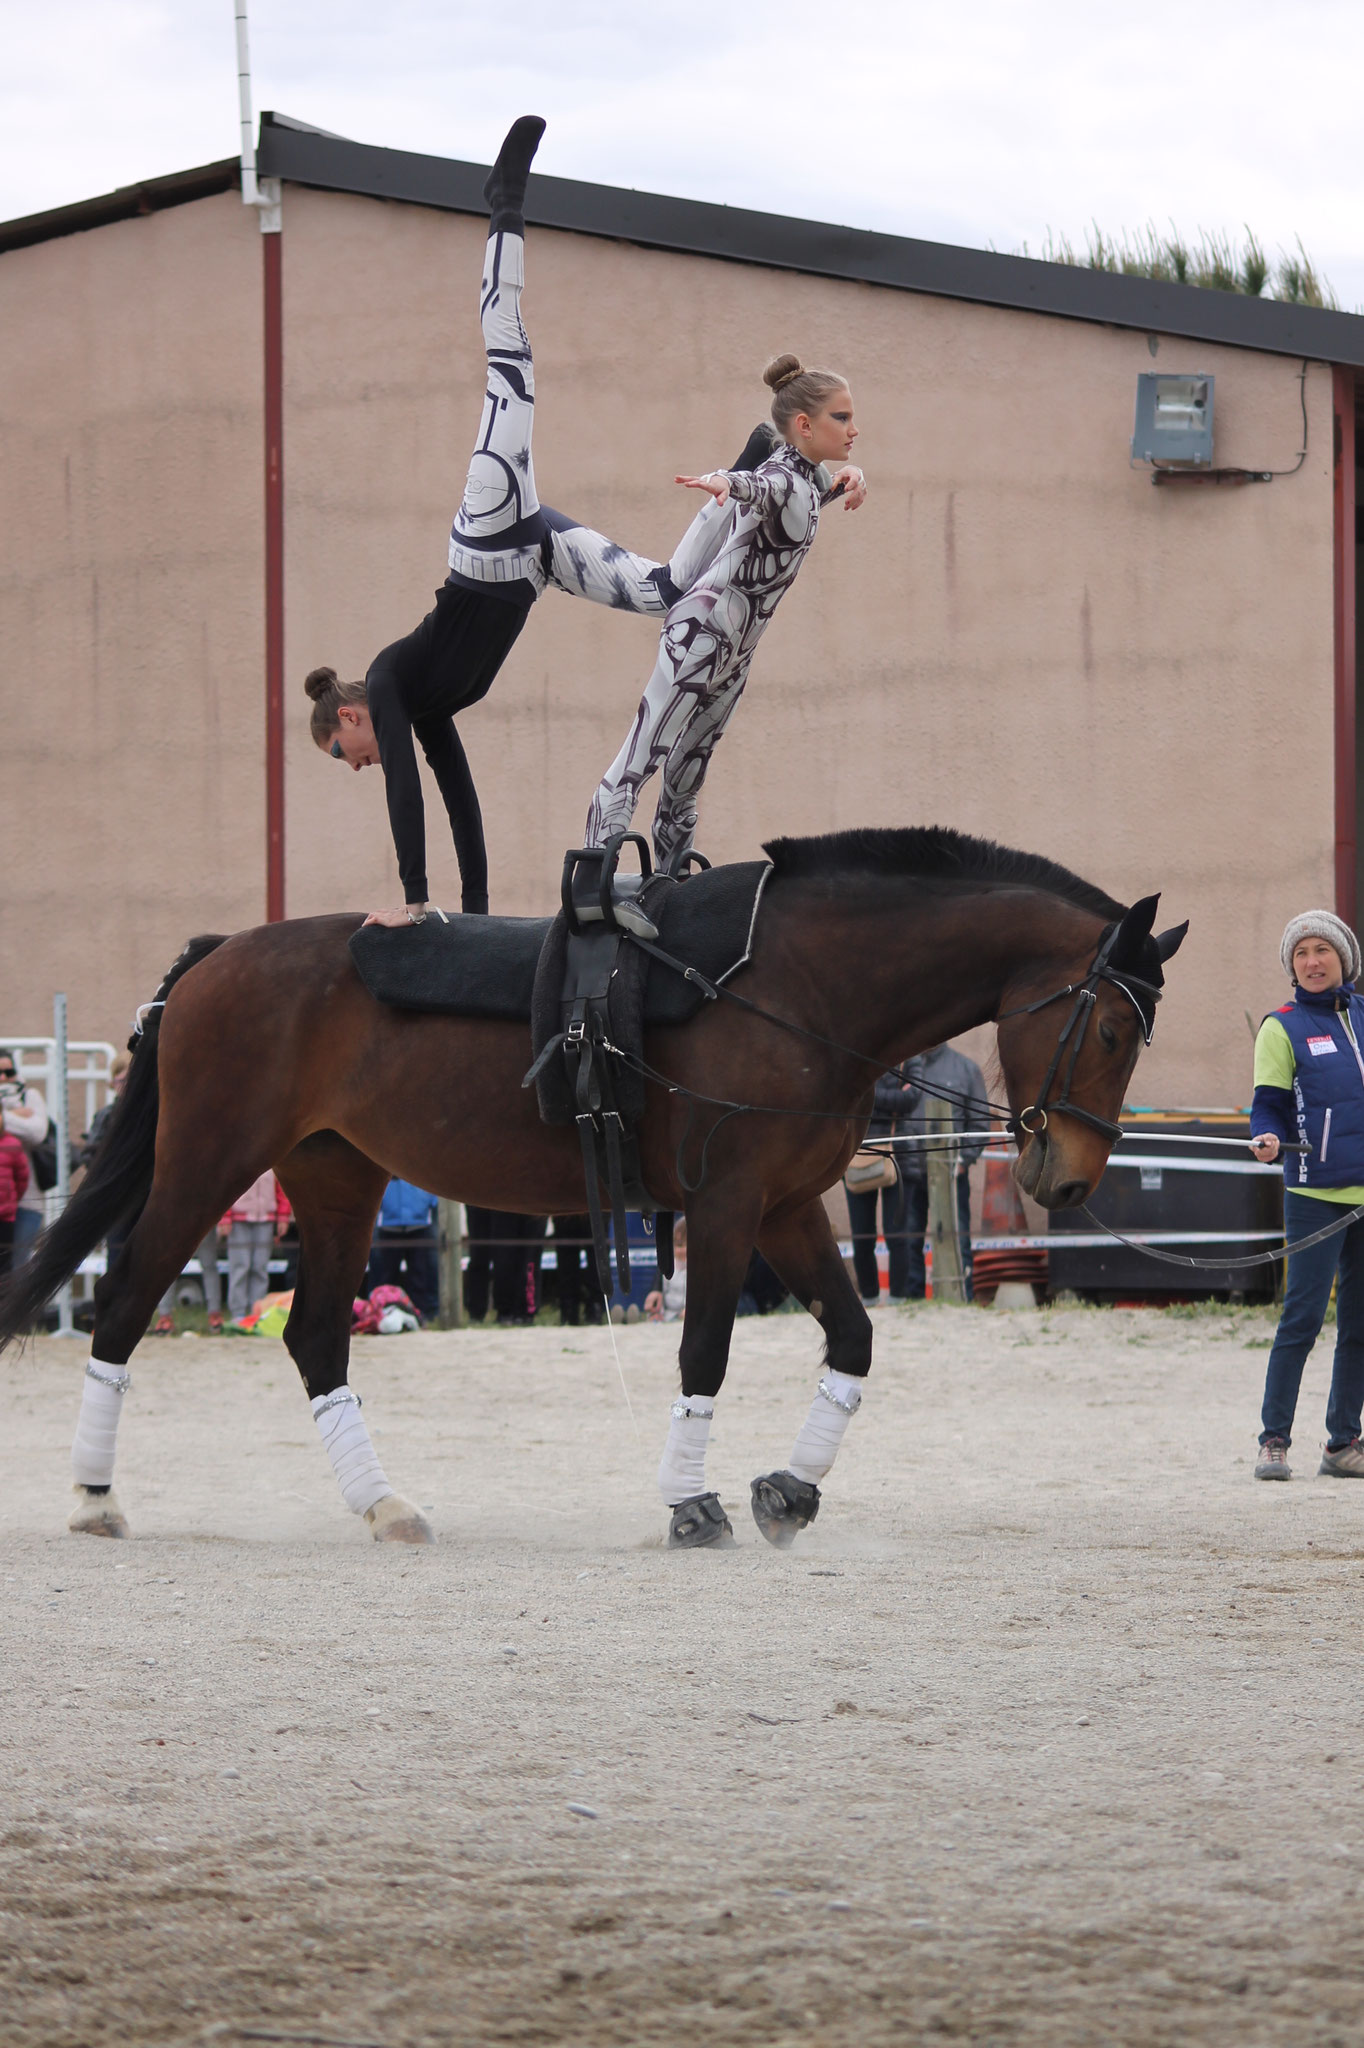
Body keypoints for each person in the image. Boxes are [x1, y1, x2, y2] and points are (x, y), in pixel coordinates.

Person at [306, 116, 777, 926]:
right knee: (670, 592)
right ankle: (747, 471)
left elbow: (403, 791)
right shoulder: (427, 707)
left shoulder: (389, 680)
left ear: (350, 717)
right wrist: (477, 917)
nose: (358, 764)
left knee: (512, 368)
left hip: (489, 535)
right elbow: (460, 799)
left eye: (343, 754)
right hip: (538, 565)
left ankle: (503, 207)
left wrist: (415, 903)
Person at [583, 354, 867, 874]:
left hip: (737, 651)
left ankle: (668, 887)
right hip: (703, 632)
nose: (854, 429)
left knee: (688, 777)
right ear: (804, 425)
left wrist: (852, 477)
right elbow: (761, 487)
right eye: (842, 418)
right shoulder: (780, 474)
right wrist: (722, 482)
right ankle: (590, 883)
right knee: (642, 757)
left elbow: (804, 504)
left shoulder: (806, 478)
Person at [1249, 910, 1364, 1480]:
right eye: (1302, 953)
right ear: (1292, 966)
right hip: (1315, 1190)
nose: (1312, 961)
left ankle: (1343, 1443)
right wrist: (1264, 1137)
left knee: (1361, 1324)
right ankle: (1274, 1440)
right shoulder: (1283, 1025)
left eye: (1322, 949)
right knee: (1302, 1318)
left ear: (1343, 958)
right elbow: (1267, 1104)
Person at [896, 1043, 992, 1300]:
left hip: (951, 1177)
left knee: (956, 1237)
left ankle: (962, 1296)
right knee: (909, 1240)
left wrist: (962, 1162)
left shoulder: (965, 1069)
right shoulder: (904, 1067)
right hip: (910, 1174)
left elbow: (981, 1124)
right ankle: (911, 1298)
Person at [847, 1068, 920, 1303]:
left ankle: (898, 1298)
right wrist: (892, 1098)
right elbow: (847, 1096)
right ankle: (868, 1298)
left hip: (900, 1159)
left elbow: (911, 1099)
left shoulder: (909, 1054)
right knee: (862, 1235)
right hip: (858, 1157)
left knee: (897, 1233)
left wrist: (869, 1095)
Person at [221, 1171, 292, 1323]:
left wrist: (283, 1216)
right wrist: (224, 1216)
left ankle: (257, 1313)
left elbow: (281, 1187)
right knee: (240, 1267)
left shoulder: (273, 1156)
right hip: (238, 1220)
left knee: (260, 1268)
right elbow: (224, 1185)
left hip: (266, 1219)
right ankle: (238, 1314)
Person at [367, 1178, 440, 1324]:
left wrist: (429, 1199)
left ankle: (423, 1315)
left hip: (420, 1223)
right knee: (385, 1278)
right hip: (387, 1225)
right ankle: (379, 1315)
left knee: (420, 1275)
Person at [0, 1050, 48, 1265]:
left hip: (27, 1201)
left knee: (17, 1273)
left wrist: (4, 1117)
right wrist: (17, 1116)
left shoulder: (30, 1096)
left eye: (8, 1071)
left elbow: (37, 1132)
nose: (3, 1077)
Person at [0, 1120, 30, 1276]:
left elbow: (22, 1178)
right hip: (6, 1213)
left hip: (5, 1218)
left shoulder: (12, 1144)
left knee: (4, 1266)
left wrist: (11, 1202)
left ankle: (4, 1300)